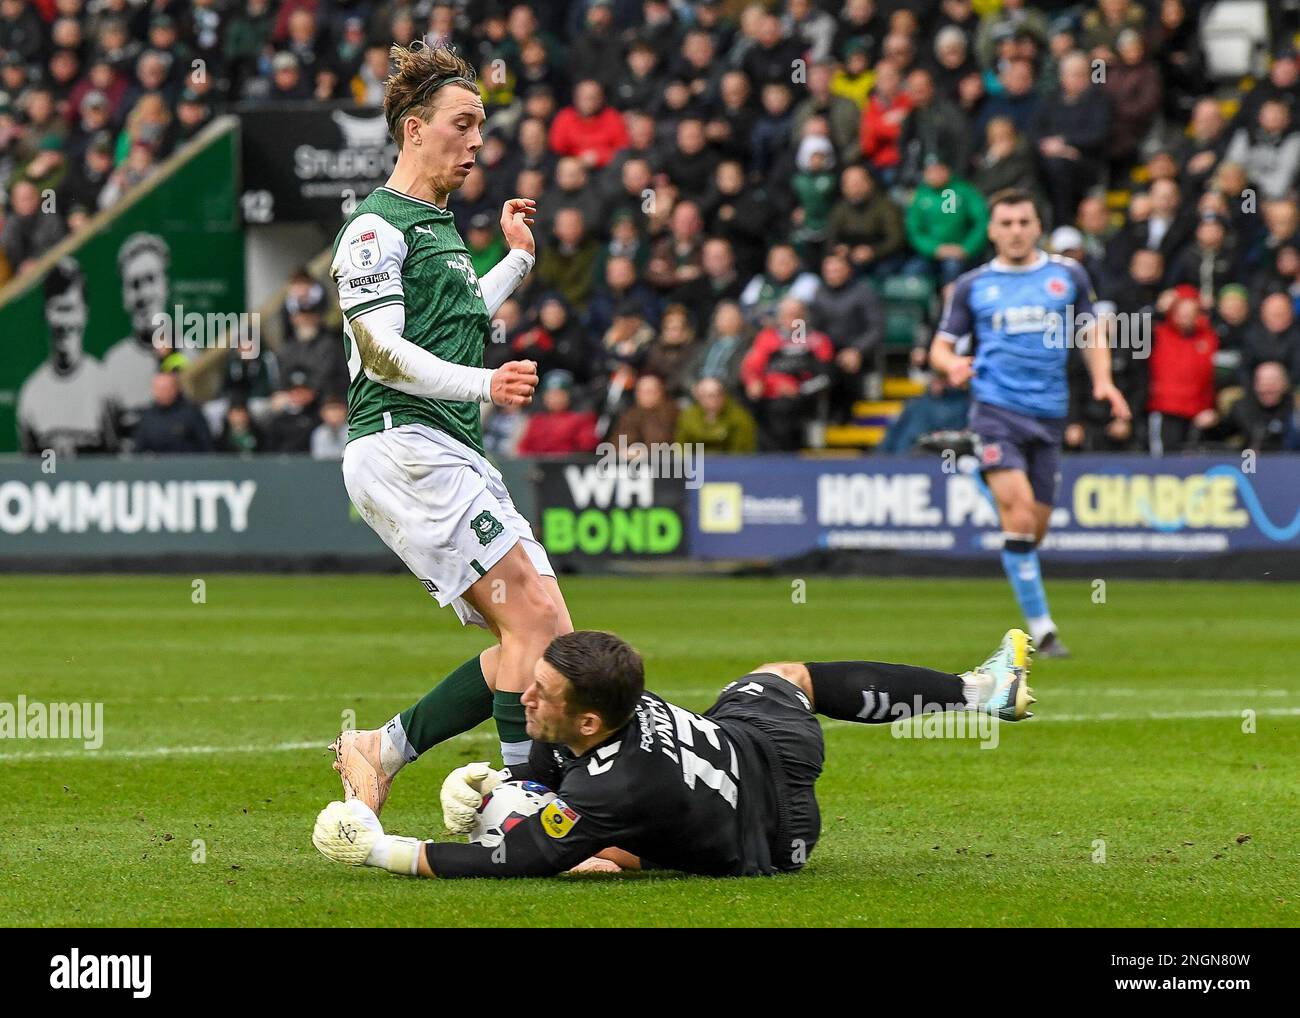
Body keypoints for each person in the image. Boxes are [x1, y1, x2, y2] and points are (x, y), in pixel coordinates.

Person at [326, 42, 576, 810]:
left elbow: (457, 320)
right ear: (413, 129)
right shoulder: (375, 228)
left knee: (548, 634)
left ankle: (381, 748)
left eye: (481, 128)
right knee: (531, 619)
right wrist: (485, 384)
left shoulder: (435, 226)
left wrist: (517, 262)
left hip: (444, 444)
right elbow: (381, 352)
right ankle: (527, 809)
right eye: (461, 125)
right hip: (402, 441)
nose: (476, 143)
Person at [313, 627, 1035, 879]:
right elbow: (561, 767)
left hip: (775, 838)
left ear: (587, 718)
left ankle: (983, 691)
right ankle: (979, 692)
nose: (523, 698)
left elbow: (522, 858)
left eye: (540, 694)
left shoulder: (613, 786)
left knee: (599, 849)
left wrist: (381, 849)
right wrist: (505, 781)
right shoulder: (618, 702)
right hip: (766, 741)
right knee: (787, 676)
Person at [929, 189, 1131, 658]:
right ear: (992, 230)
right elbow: (941, 345)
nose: (1016, 231)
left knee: (1033, 530)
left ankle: (974, 472)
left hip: (1050, 414)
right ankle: (1043, 631)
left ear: (1038, 226)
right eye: (1006, 223)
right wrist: (951, 365)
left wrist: (1104, 382)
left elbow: (1091, 333)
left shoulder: (1068, 275)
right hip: (995, 410)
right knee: (1019, 517)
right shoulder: (972, 285)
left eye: (1024, 222)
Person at [133, 372, 215, 454]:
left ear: (176, 389)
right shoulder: (147, 417)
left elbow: (207, 446)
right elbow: (138, 451)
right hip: (158, 461)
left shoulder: (191, 413)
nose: (162, 392)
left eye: (165, 388)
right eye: (158, 388)